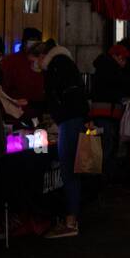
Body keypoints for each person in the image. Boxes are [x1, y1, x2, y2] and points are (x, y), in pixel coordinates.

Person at [36, 40, 90, 239]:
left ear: (43, 56)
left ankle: (70, 222)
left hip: (69, 122)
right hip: (77, 120)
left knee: (69, 171)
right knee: (75, 171)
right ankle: (73, 216)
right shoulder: (67, 63)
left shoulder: (55, 67)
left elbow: (53, 97)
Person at [91, 43, 130, 178]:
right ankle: (103, 178)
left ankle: (104, 177)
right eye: (123, 58)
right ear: (115, 56)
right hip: (105, 114)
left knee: (107, 147)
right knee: (107, 147)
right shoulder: (109, 69)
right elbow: (119, 84)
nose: (124, 62)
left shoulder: (105, 67)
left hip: (106, 113)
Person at [0, 26, 46, 108]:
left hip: (38, 110)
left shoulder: (44, 61)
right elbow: (4, 88)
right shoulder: (11, 61)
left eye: (37, 41)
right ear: (24, 42)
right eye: (32, 40)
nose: (34, 44)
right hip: (16, 110)